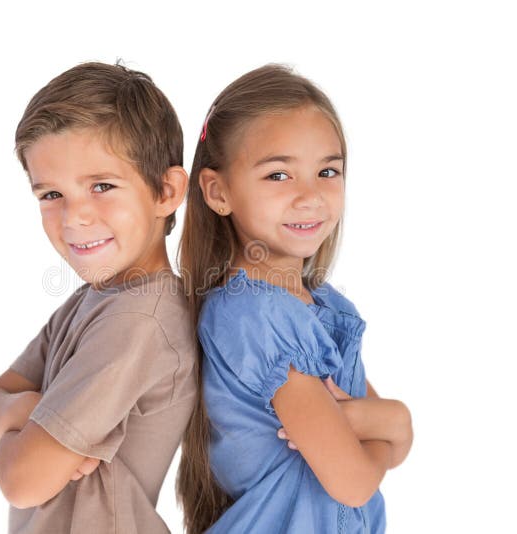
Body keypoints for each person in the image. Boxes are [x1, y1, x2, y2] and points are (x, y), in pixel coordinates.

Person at [176, 64, 413, 533]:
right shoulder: (256, 316)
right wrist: (392, 422)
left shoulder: (326, 309)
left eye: (327, 171)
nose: (310, 196)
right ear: (217, 191)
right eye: (279, 175)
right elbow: (353, 482)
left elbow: (386, 448)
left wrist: (388, 424)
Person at [0, 62, 197, 534]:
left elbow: (23, 480)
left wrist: (20, 427)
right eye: (51, 193)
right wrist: (24, 413)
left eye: (102, 186)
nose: (75, 217)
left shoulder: (139, 321)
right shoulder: (91, 302)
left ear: (167, 191)